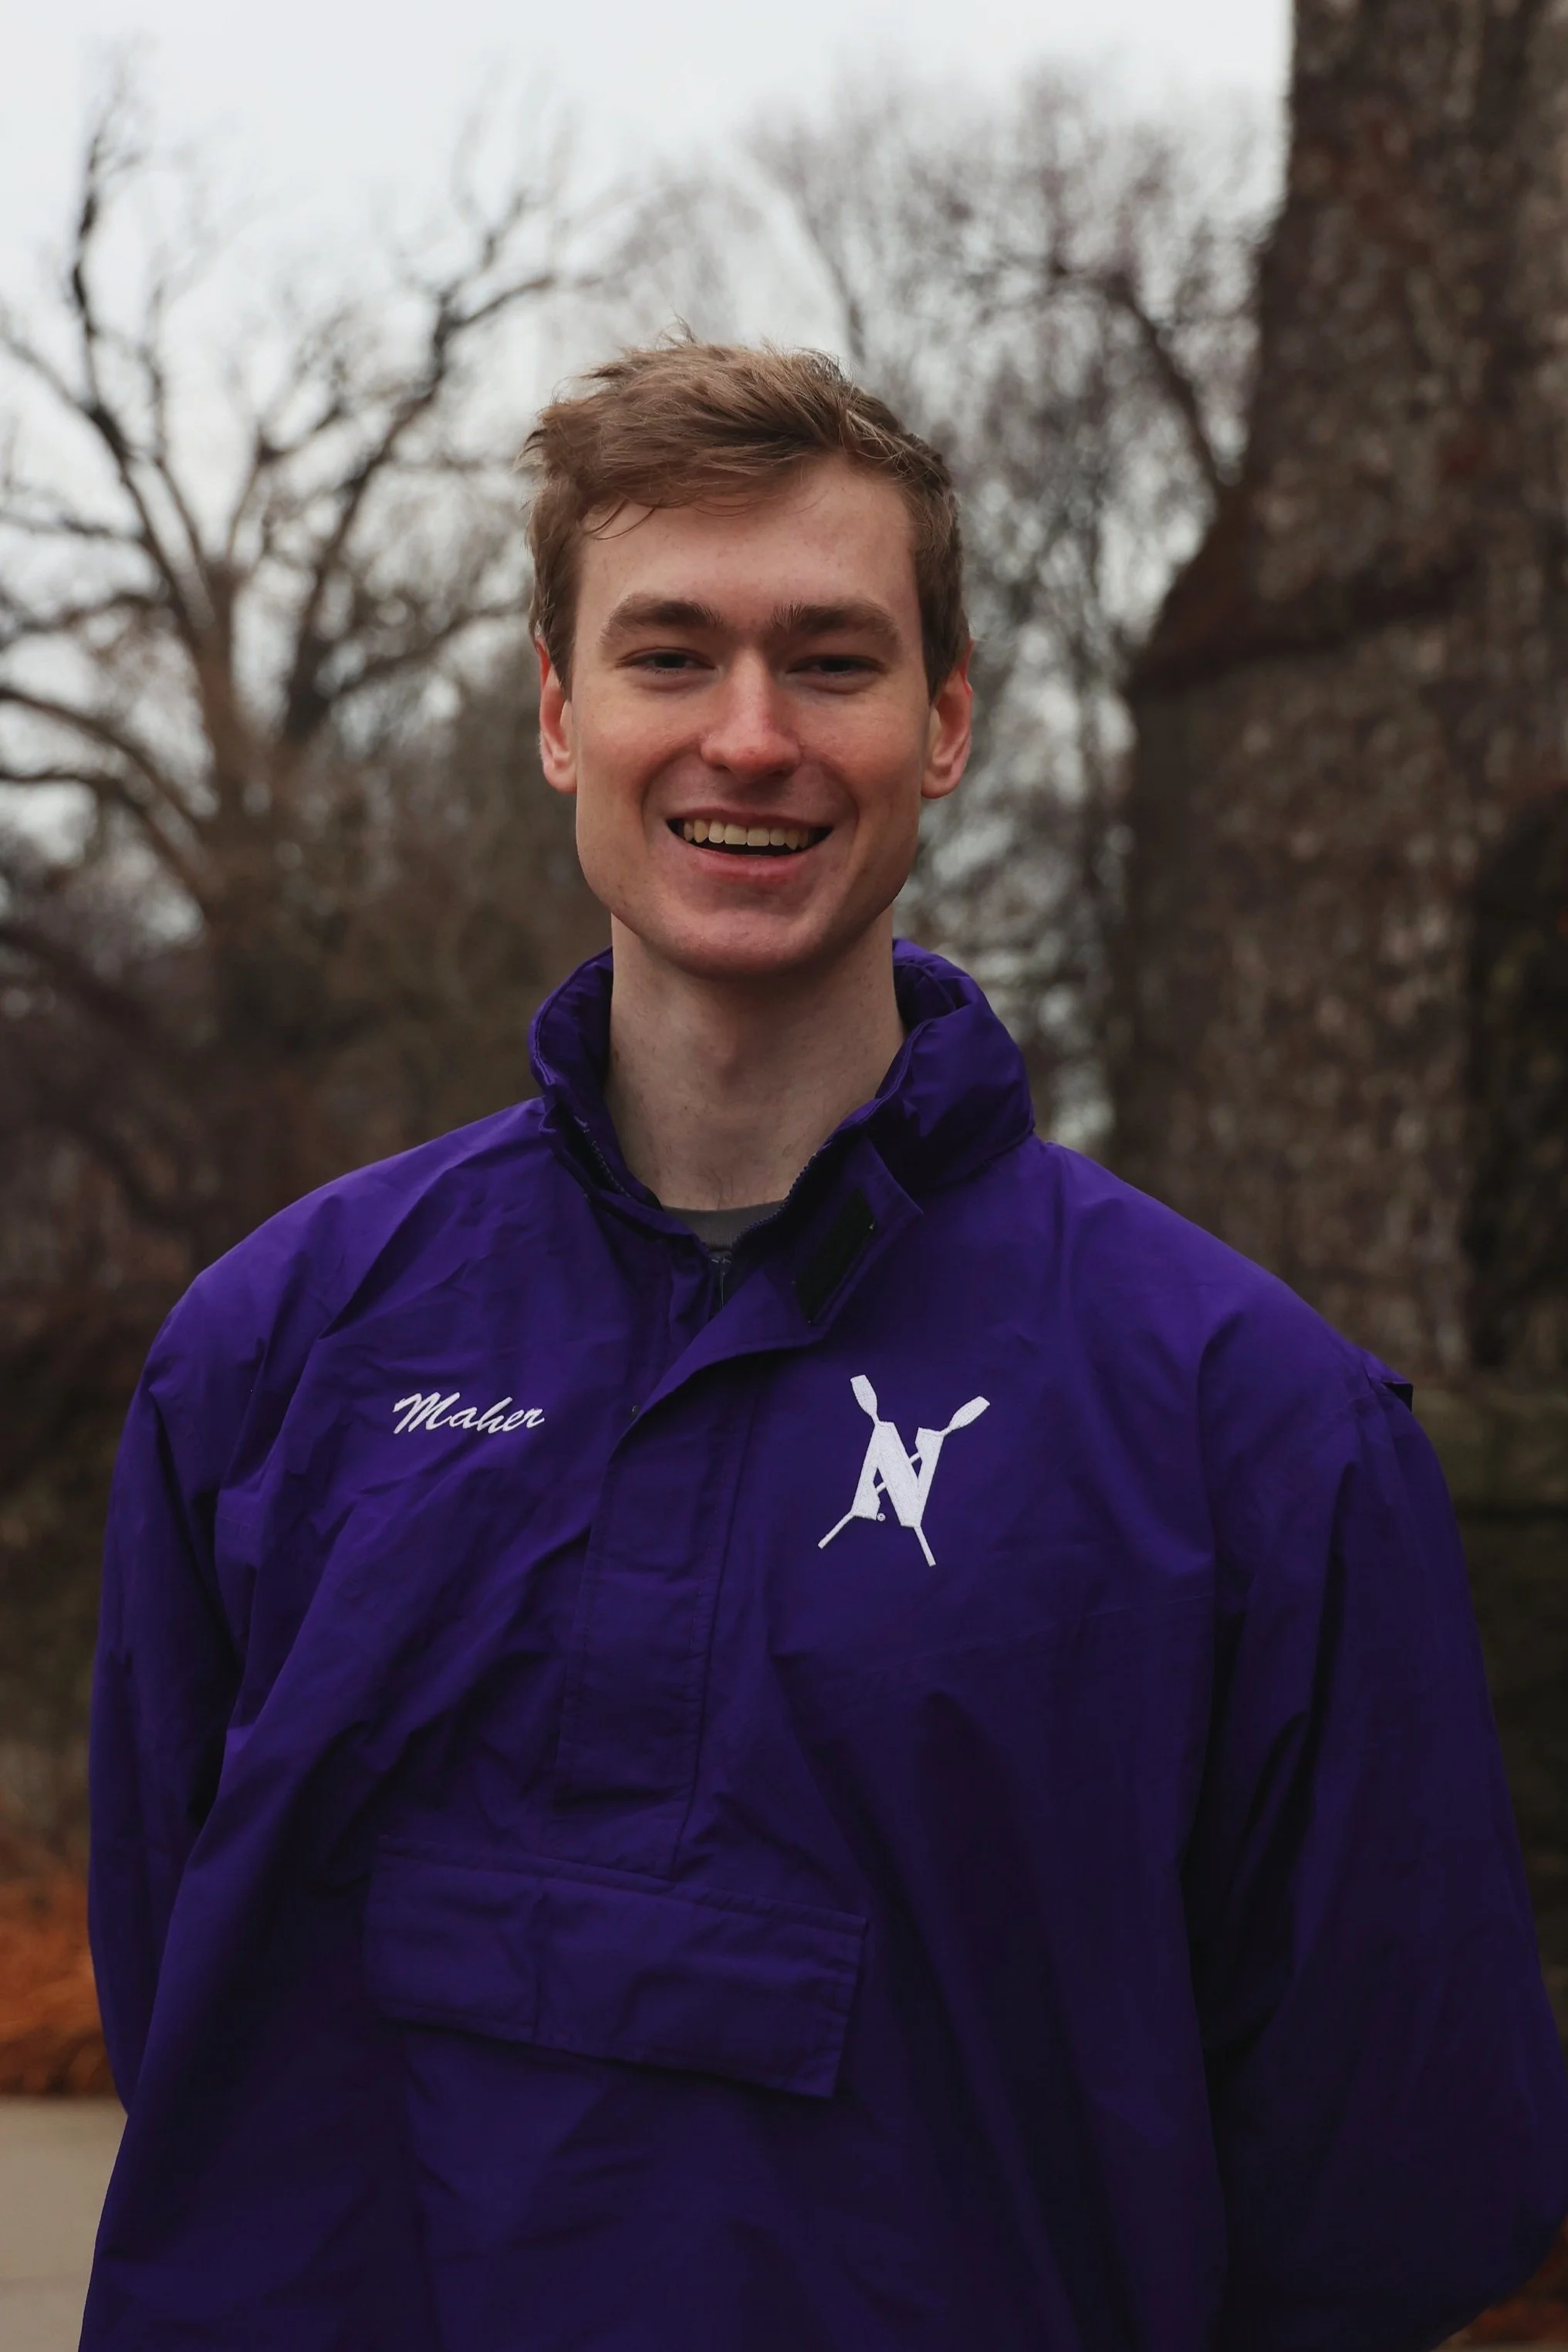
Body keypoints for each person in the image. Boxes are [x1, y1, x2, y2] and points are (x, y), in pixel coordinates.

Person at [85, 340, 1568, 2352]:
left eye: (836, 661)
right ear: (557, 710)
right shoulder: (275, 1362)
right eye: (670, 654)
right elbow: (185, 1992)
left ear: (947, 724)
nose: (750, 735)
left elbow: (1397, 2198)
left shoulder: (1258, 1441)